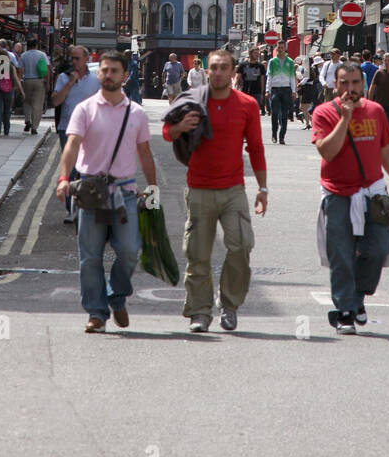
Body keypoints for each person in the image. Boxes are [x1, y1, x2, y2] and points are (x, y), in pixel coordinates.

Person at [163, 48, 267, 333]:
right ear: (206, 71)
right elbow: (166, 132)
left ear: (234, 72)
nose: (219, 72)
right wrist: (180, 127)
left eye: (224, 67)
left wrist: (263, 188)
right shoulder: (193, 101)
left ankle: (230, 305)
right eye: (214, 68)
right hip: (199, 188)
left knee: (241, 245)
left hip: (233, 189)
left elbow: (256, 148)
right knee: (197, 254)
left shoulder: (247, 105)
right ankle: (200, 312)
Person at [57, 51, 157, 333]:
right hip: (91, 191)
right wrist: (64, 178)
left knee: (129, 251)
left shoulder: (136, 113)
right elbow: (72, 145)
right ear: (99, 74)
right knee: (89, 257)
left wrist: (153, 191)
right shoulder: (85, 109)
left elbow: (145, 154)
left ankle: (117, 295)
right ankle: (97, 312)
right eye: (104, 70)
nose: (109, 75)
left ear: (125, 76)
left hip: (125, 192)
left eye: (114, 70)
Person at [312, 60, 389, 334]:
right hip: (336, 192)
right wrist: (345, 117)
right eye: (344, 83)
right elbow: (327, 152)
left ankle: (358, 296)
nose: (350, 89)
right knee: (340, 254)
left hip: (373, 193)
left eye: (355, 83)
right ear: (335, 85)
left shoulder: (376, 111)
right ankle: (344, 310)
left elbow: (385, 152)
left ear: (363, 85)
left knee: (378, 249)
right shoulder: (323, 113)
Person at [52, 45, 100, 221]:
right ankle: (71, 210)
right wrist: (70, 84)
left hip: (90, 131)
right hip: (67, 129)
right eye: (72, 58)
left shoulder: (96, 80)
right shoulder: (63, 78)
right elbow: (56, 101)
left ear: (86, 59)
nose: (73, 61)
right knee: (71, 171)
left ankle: (86, 208)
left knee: (88, 170)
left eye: (77, 58)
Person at [266, 40, 296, 144]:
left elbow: (292, 77)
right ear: (276, 48)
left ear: (285, 48)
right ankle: (274, 134)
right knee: (274, 113)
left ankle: (282, 136)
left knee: (284, 114)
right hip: (275, 89)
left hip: (286, 89)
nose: (280, 49)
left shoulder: (290, 61)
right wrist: (267, 90)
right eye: (279, 47)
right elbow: (269, 76)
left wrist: (293, 90)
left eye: (282, 47)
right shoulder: (272, 61)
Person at [18, 37, 49, 134]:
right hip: (39, 81)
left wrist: (19, 82)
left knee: (27, 101)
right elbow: (47, 69)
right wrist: (48, 83)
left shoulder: (23, 55)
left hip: (26, 80)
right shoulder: (42, 55)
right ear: (36, 45)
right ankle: (34, 126)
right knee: (37, 104)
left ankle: (28, 120)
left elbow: (20, 71)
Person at [0, 46, 15, 137]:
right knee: (7, 111)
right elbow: (15, 79)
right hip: (8, 90)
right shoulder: (11, 66)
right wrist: (20, 90)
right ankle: (6, 131)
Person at [235, 46, 265, 113]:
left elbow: (262, 80)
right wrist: (235, 86)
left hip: (257, 92)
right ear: (250, 54)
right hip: (245, 91)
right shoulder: (243, 65)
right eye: (255, 53)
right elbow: (237, 77)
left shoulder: (261, 66)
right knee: (245, 111)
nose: (257, 55)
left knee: (254, 111)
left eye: (258, 53)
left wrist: (262, 93)